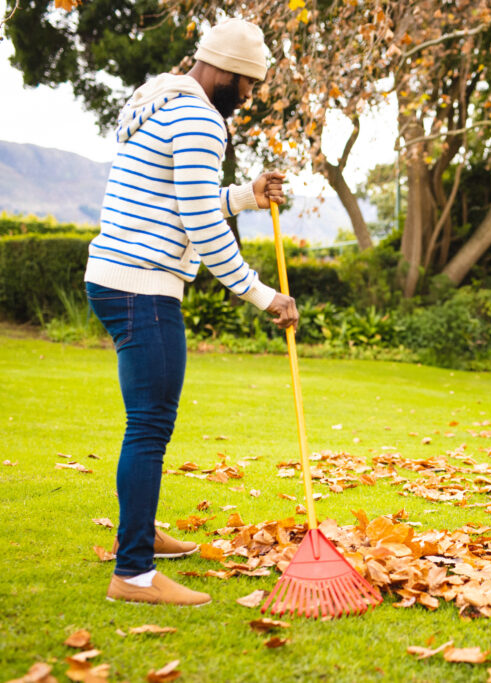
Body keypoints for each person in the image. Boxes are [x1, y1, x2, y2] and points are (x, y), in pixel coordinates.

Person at [85, 18, 298, 606]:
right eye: (249, 85)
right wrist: (263, 295)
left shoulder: (161, 101)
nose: (249, 98)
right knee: (150, 426)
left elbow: (185, 199)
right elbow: (203, 226)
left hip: (113, 277)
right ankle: (132, 573)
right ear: (227, 72)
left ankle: (142, 530)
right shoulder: (201, 118)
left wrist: (246, 196)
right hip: (143, 287)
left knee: (145, 421)